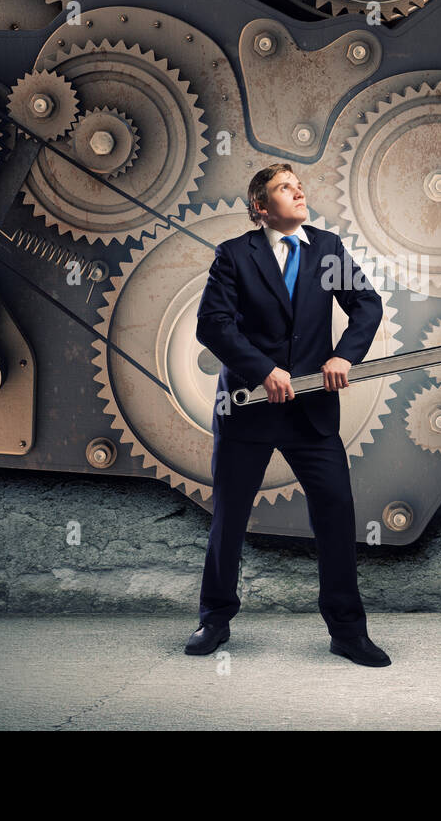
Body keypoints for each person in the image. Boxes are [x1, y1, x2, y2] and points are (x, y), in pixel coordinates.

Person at [187, 163, 391, 667]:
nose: (298, 191)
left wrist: (345, 354)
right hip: (248, 410)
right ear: (260, 207)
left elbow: (366, 305)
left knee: (337, 516)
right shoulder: (233, 255)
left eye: (298, 185)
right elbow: (211, 325)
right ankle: (214, 619)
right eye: (284, 187)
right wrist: (261, 370)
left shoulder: (327, 249)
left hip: (313, 414)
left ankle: (347, 631)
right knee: (230, 518)